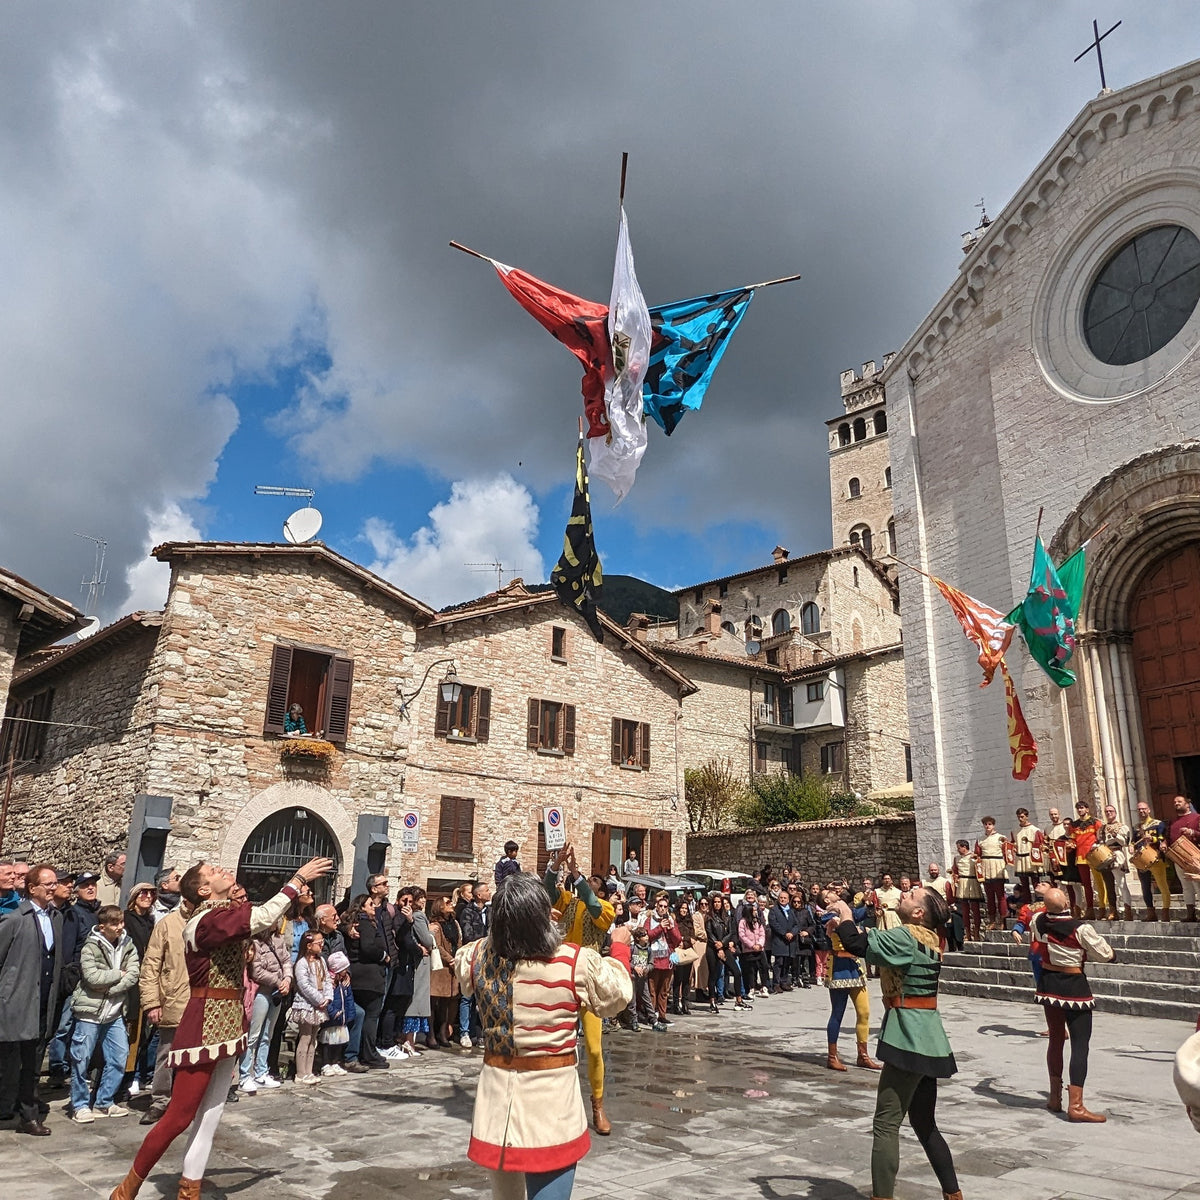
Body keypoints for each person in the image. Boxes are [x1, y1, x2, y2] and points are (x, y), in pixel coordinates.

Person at [107, 854, 331, 1200]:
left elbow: (253, 922)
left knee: (212, 1113)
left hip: (228, 1021)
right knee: (178, 1116)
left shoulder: (220, 914)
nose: (222, 870)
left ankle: (189, 1188)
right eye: (213, 871)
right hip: (204, 1023)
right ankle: (127, 1187)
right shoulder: (204, 920)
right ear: (203, 889)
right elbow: (263, 915)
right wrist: (297, 879)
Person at [454, 871, 631, 1200]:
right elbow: (617, 996)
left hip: (496, 1101)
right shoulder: (573, 963)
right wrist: (620, 948)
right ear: (544, 918)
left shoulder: (477, 955)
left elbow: (464, 969)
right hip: (550, 1104)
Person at [826, 885, 961, 1200]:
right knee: (925, 1124)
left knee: (886, 1123)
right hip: (930, 1033)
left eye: (913, 894)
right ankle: (953, 1195)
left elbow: (858, 943)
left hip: (908, 1033)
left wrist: (844, 912)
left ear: (918, 913)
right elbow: (866, 941)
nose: (905, 893)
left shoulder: (907, 935)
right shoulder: (930, 938)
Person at [543, 844, 617, 1133]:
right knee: (556, 1044)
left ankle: (597, 1106)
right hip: (562, 976)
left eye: (595, 882)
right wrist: (555, 866)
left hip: (589, 979)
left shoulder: (605, 908)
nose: (589, 883)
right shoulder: (567, 901)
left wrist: (576, 874)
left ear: (602, 890)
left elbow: (593, 903)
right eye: (590, 880)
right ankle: (554, 1105)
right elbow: (547, 894)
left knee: (595, 1050)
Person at [1029, 887, 1115, 1121]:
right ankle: (1075, 1105)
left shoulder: (1038, 920)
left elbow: (1037, 928)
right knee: (1080, 1043)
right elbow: (1106, 954)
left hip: (1048, 984)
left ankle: (1055, 1097)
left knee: (1056, 1039)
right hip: (1073, 984)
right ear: (1067, 901)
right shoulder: (1081, 928)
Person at [0, 863, 62, 1135]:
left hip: (44, 1001)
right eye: (47, 884)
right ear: (32, 888)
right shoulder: (15, 919)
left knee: (34, 1063)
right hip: (16, 1001)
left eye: (54, 883)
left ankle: (29, 1115)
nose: (52, 888)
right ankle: (7, 1109)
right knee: (10, 1061)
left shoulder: (56, 917)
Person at [70, 904, 140, 1122]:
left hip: (115, 1012)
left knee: (119, 1057)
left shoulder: (128, 945)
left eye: (121, 922)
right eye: (114, 923)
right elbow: (91, 978)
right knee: (81, 1059)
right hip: (89, 1013)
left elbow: (134, 973)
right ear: (102, 927)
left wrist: (112, 987)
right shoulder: (90, 947)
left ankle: (104, 1102)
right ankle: (80, 1105)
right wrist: (119, 973)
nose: (120, 927)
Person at [138, 895, 192, 1124]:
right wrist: (151, 1002)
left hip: (200, 1002)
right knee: (166, 1054)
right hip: (173, 999)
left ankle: (187, 1101)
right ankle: (160, 1100)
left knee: (194, 1057)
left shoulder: (210, 921)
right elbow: (151, 965)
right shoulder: (168, 924)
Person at [820, 886, 880, 1074]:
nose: (832, 891)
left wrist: (867, 903)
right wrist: (857, 927)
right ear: (827, 901)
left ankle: (863, 1055)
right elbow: (834, 923)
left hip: (854, 965)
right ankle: (832, 1056)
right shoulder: (829, 915)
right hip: (839, 966)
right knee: (837, 1013)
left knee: (864, 1012)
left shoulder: (846, 910)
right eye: (828, 892)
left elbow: (858, 914)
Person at [239, 915, 292, 1093]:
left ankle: (262, 1071)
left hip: (277, 992)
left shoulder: (278, 939)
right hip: (261, 992)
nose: (276, 922)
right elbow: (257, 970)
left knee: (267, 1034)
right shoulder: (255, 943)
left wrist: (287, 979)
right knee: (253, 1035)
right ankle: (245, 1075)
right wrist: (278, 981)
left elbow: (286, 961)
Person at [343, 893, 390, 1070]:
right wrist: (384, 955)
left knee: (361, 1016)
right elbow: (368, 947)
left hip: (357, 976)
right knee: (371, 1017)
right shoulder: (365, 924)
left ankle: (359, 1052)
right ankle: (369, 1054)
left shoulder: (352, 923)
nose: (374, 907)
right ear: (362, 907)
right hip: (370, 978)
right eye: (370, 904)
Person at [292, 929, 332, 1084]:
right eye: (318, 943)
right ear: (308, 945)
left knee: (314, 1038)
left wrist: (327, 997)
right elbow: (304, 985)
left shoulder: (321, 961)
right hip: (307, 1004)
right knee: (305, 1037)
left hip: (319, 1005)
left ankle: (309, 1071)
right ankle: (300, 1073)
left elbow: (327, 979)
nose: (322, 945)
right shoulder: (302, 963)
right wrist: (318, 999)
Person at [402, 887, 435, 1056]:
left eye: (424, 897)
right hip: (420, 963)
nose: (423, 901)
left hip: (416, 962)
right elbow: (427, 940)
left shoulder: (413, 917)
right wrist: (432, 933)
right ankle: (409, 1041)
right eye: (420, 898)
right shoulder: (419, 916)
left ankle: (409, 1040)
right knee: (417, 1001)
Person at [645, 891, 681, 1031]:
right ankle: (652, 1015)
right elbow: (647, 935)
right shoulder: (650, 920)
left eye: (665, 907)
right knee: (652, 990)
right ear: (656, 906)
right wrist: (660, 927)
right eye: (660, 906)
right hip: (654, 958)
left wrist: (670, 928)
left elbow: (677, 939)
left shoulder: (671, 920)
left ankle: (662, 1015)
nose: (662, 909)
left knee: (664, 990)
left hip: (667, 959)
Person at [429, 896, 460, 1047]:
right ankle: (431, 1035)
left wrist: (458, 957)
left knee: (446, 1003)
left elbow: (459, 941)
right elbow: (438, 945)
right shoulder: (436, 925)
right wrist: (450, 959)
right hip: (440, 968)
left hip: (453, 968)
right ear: (440, 906)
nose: (451, 904)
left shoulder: (454, 923)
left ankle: (443, 1034)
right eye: (448, 903)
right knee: (434, 1002)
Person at [1133, 800, 1172, 921]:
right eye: (1139, 809)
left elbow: (1162, 837)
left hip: (1155, 857)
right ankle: (1151, 913)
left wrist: (1153, 838)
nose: (1141, 811)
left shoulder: (1158, 823)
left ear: (1149, 810)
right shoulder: (1137, 827)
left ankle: (1165, 913)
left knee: (1162, 885)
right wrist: (1131, 845)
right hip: (1142, 860)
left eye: (1143, 808)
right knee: (1145, 886)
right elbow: (1134, 841)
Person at [1068, 801, 1104, 920]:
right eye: (1078, 808)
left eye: (1082, 808)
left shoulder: (1096, 822)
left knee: (1099, 882)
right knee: (1086, 885)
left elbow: (1100, 838)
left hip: (1094, 856)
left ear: (1087, 809)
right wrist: (1071, 845)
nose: (1080, 810)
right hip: (1080, 857)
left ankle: (1103, 908)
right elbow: (1073, 840)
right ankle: (1090, 909)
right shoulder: (1074, 825)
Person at [1047, 807, 1084, 916]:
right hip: (1064, 866)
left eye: (1068, 824)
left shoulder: (1076, 837)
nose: (1066, 826)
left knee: (1077, 888)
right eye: (1065, 824)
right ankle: (1064, 909)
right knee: (1062, 888)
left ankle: (1079, 910)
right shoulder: (1060, 839)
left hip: (1075, 864)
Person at [1168, 795, 1200, 922]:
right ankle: (1190, 914)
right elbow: (1168, 837)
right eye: (1175, 802)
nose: (1176, 803)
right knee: (1186, 886)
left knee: (1198, 885)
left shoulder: (1197, 818)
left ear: (1187, 804)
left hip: (1194, 857)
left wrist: (1192, 832)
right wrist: (1165, 844)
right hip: (1178, 858)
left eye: (1179, 801)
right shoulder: (1173, 822)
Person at [1100, 804, 1135, 921]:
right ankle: (1113, 911)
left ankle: (1128, 911)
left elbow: (1125, 842)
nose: (1109, 813)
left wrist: (1116, 835)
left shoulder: (1122, 827)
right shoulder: (1102, 828)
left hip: (1117, 855)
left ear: (1115, 812)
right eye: (1106, 811)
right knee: (1109, 885)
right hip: (1105, 856)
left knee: (1121, 884)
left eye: (1111, 811)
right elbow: (1100, 841)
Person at [974, 818, 1009, 930]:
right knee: (989, 896)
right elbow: (977, 855)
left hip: (997, 866)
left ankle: (1003, 920)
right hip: (985, 867)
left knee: (1000, 896)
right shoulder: (980, 839)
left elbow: (1007, 851)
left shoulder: (1001, 837)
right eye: (985, 824)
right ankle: (992, 920)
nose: (987, 826)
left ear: (993, 825)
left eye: (990, 824)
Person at [736, 890, 769, 999]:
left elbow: (762, 933)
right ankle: (751, 988)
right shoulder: (743, 922)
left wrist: (759, 944)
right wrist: (751, 945)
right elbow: (742, 935)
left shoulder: (758, 921)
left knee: (763, 967)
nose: (756, 912)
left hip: (759, 948)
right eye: (754, 910)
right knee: (750, 970)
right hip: (749, 949)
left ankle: (764, 986)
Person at [767, 884, 799, 992]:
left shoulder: (791, 911)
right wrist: (785, 933)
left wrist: (792, 933)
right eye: (781, 898)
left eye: (785, 898)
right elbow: (774, 924)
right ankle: (776, 983)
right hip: (780, 940)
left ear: (788, 899)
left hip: (790, 942)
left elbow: (796, 924)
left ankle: (784, 982)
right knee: (779, 963)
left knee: (786, 963)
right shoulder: (774, 910)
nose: (783, 899)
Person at [1013, 808, 1046, 900]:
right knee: (1024, 884)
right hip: (1020, 859)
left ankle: (1038, 903)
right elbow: (1013, 843)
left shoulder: (1035, 830)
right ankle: (1026, 904)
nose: (1020, 819)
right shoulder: (1015, 831)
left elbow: (1040, 845)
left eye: (1022, 816)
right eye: (1019, 817)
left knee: (1036, 883)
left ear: (1027, 817)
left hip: (1031, 859)